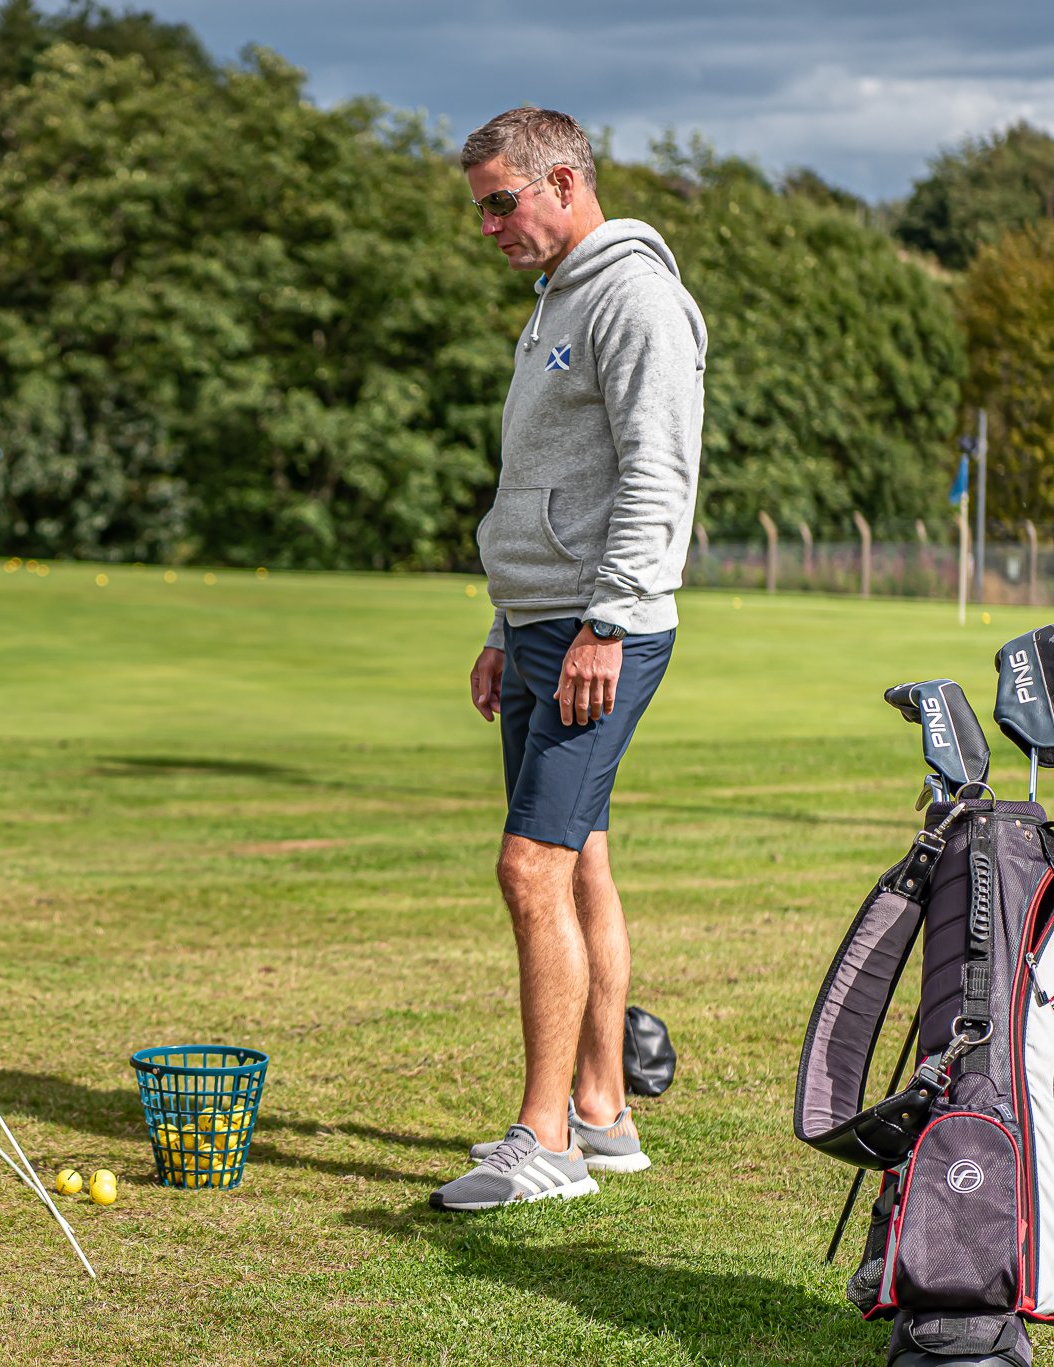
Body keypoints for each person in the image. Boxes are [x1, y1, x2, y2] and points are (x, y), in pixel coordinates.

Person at [429, 109, 706, 1212]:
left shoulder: (632, 293)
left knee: (528, 867)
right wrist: (508, 628)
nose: (489, 224)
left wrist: (607, 620)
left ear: (560, 179)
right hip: (541, 622)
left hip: (602, 629)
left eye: (500, 200)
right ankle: (601, 1114)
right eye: (478, 208)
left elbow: (656, 469)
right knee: (578, 854)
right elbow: (544, 479)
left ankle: (540, 1141)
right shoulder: (553, 303)